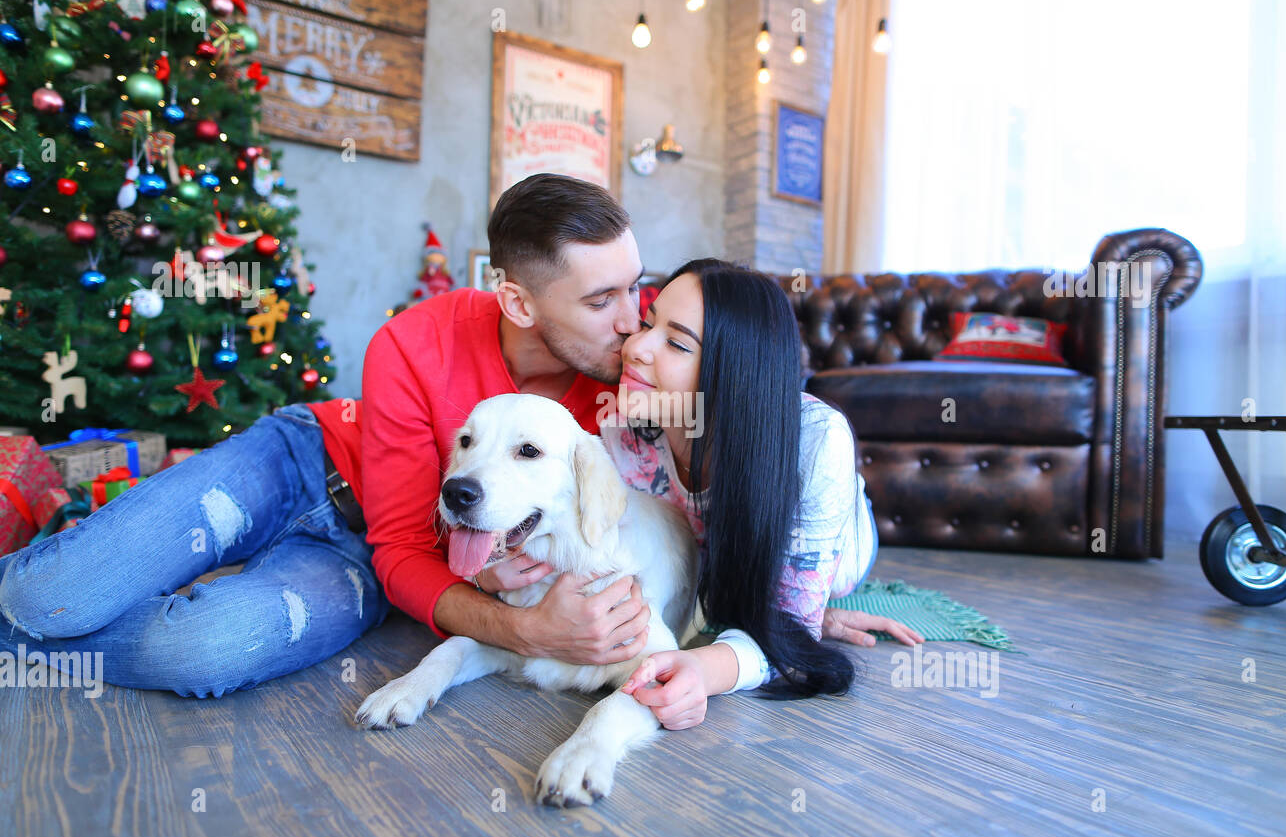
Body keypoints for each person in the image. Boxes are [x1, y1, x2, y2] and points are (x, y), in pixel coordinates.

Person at [0, 173, 658, 696]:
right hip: (300, 462)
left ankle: (78, 588)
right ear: (518, 302)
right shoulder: (413, 341)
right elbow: (407, 533)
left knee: (204, 647)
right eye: (602, 301)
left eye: (637, 288)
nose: (633, 322)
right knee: (48, 594)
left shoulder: (632, 374)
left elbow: (396, 554)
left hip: (367, 561)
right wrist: (524, 631)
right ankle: (80, 568)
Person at [476, 259, 925, 730]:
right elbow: (610, 558)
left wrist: (707, 668)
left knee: (819, 589)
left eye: (674, 342)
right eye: (648, 323)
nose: (636, 347)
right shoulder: (620, 429)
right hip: (702, 560)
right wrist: (495, 571)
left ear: (732, 372)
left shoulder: (815, 442)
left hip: (839, 535)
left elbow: (791, 631)